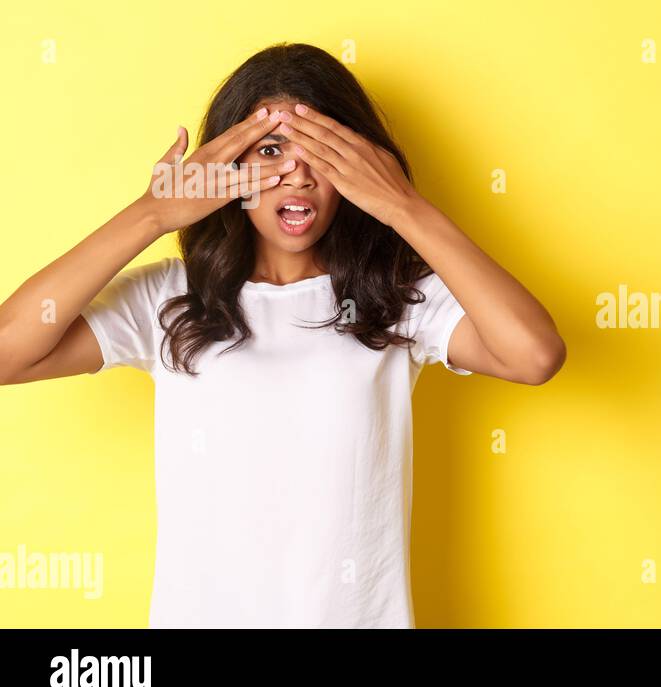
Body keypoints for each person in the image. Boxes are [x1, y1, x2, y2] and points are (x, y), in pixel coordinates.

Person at [0, 43, 565, 628]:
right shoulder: (170, 299)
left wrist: (403, 205)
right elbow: (7, 350)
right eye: (270, 151)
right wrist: (153, 214)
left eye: (320, 151)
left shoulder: (391, 299)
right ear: (227, 170)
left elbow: (535, 354)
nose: (296, 174)